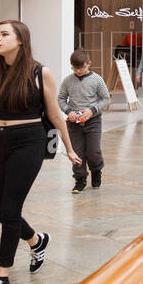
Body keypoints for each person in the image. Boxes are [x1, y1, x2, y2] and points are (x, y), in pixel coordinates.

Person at [0, 20, 80, 284]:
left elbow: (56, 114)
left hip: (28, 142)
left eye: (4, 34)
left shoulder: (39, 72)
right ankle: (36, 240)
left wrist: (69, 149)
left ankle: (2, 276)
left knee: (10, 209)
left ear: (21, 39)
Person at [58, 48, 109, 193]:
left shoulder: (97, 80)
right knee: (77, 152)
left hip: (93, 121)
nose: (78, 71)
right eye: (75, 68)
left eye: (81, 68)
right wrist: (68, 111)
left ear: (89, 64)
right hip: (73, 124)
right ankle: (80, 179)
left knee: (93, 150)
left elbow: (105, 99)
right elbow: (61, 98)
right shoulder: (68, 81)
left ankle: (96, 170)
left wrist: (92, 110)